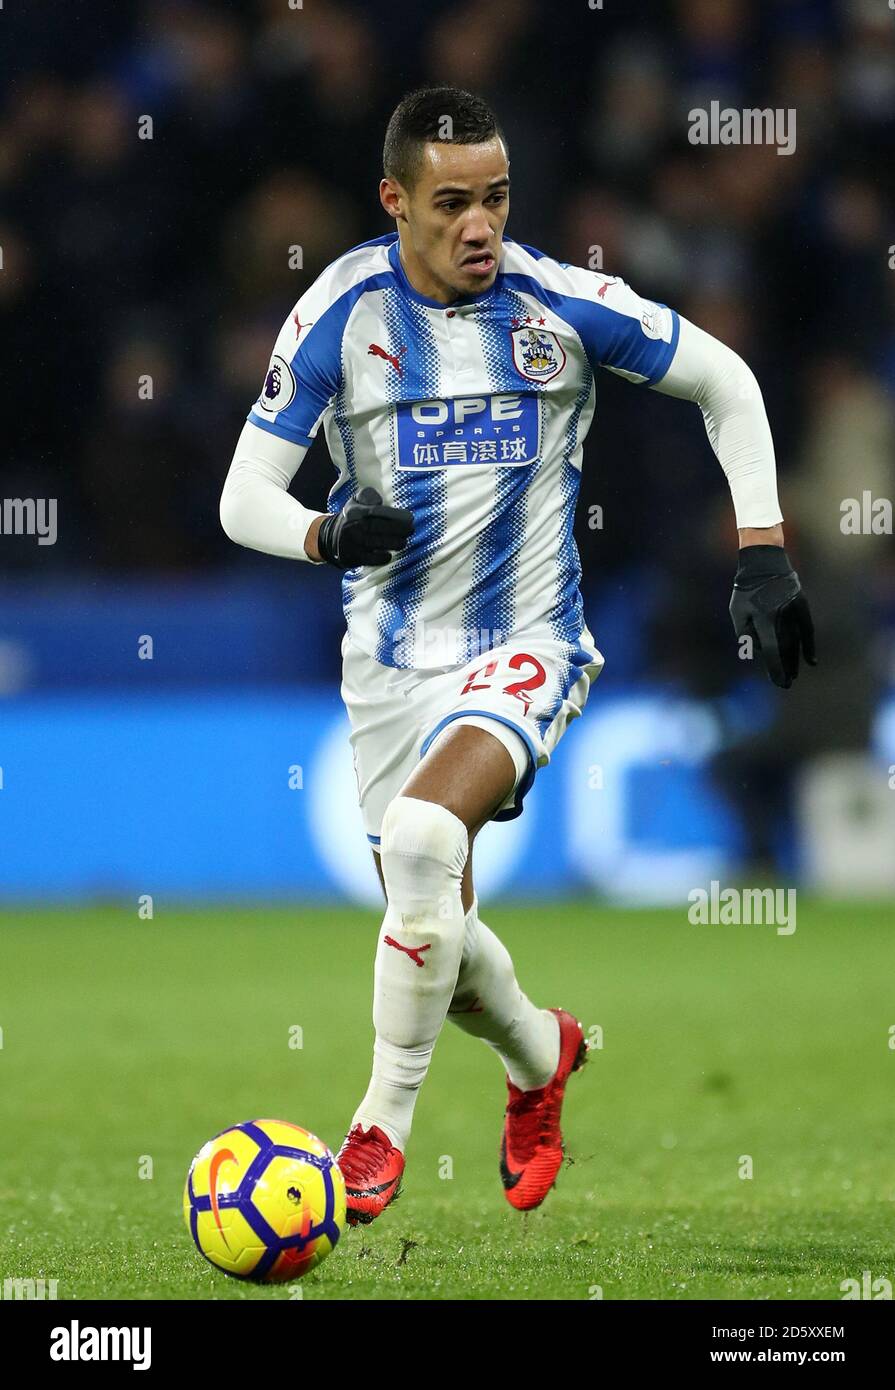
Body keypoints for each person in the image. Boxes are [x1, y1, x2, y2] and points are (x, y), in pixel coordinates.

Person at [219, 85, 814, 1225]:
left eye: (494, 196)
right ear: (395, 201)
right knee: (433, 933)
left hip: (530, 643)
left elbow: (725, 382)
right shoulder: (342, 311)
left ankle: (374, 1129)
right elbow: (242, 494)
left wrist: (762, 552)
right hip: (388, 661)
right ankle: (542, 1056)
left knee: (431, 836)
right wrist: (323, 532)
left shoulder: (562, 303)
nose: (479, 223)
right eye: (450, 203)